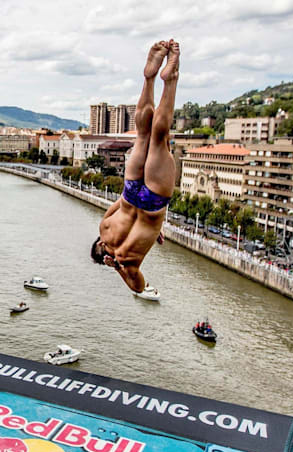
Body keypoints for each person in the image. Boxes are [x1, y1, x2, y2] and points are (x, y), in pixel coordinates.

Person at [92, 40, 180, 293]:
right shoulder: (104, 228)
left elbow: (139, 288)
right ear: (98, 243)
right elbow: (117, 204)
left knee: (160, 138)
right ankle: (149, 78)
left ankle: (170, 79)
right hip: (130, 193)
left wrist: (118, 267)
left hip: (152, 203)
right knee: (143, 135)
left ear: (105, 257)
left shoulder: (127, 260)